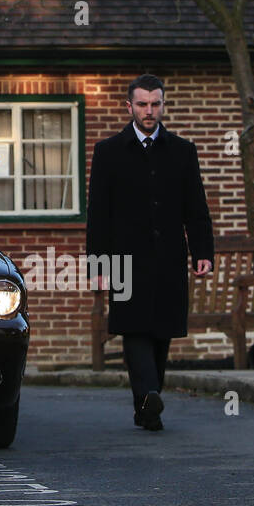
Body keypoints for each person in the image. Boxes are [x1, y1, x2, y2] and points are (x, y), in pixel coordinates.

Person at [86, 74, 214, 431]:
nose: (149, 111)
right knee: (134, 328)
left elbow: (196, 207)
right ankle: (148, 394)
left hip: (170, 256)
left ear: (163, 105)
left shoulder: (182, 151)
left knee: (162, 331)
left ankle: (146, 403)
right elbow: (98, 214)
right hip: (125, 258)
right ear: (129, 107)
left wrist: (203, 251)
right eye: (142, 104)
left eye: (155, 103)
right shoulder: (109, 152)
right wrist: (97, 264)